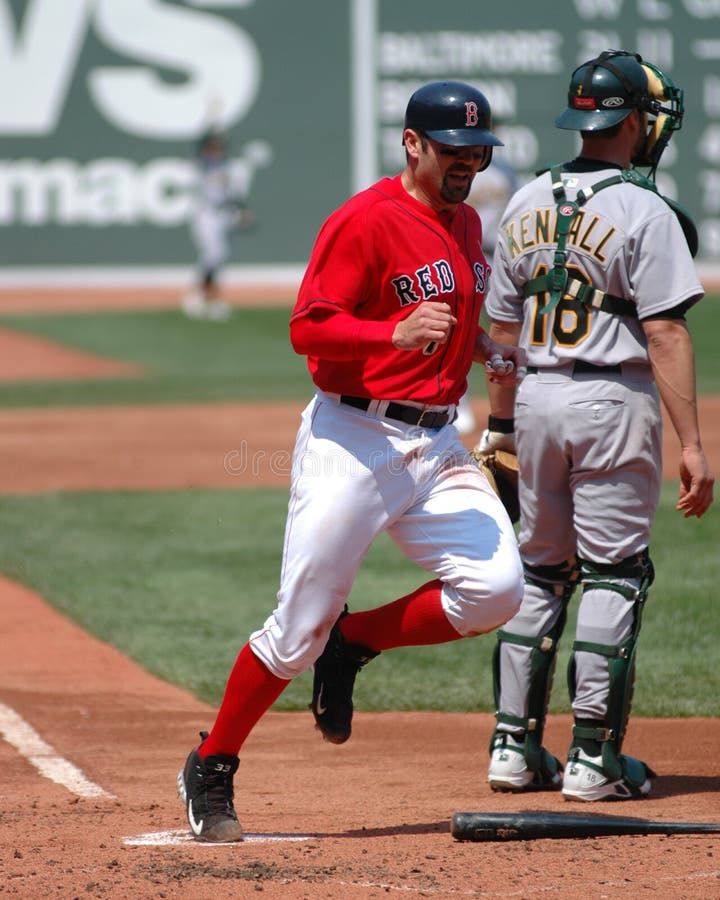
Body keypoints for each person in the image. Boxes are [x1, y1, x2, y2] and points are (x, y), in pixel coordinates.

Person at [177, 80, 527, 842]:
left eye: (477, 150)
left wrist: (488, 349)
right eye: (451, 149)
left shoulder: (466, 222)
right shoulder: (364, 221)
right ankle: (212, 762)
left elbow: (452, 321)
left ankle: (357, 639)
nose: (467, 162)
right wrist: (388, 335)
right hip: (354, 440)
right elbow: (309, 328)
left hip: (436, 442)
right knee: (295, 629)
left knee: (497, 591)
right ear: (412, 144)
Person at [478, 50, 714, 802]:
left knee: (542, 573)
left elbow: (502, 326)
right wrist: (696, 446)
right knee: (615, 573)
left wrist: (502, 427)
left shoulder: (525, 198)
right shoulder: (645, 207)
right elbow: (668, 334)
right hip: (612, 401)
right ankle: (591, 760)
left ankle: (512, 750)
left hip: (537, 395)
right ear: (634, 121)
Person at [455, 130, 519, 435]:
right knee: (458, 330)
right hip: (462, 252)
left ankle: (511, 407)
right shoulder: (455, 170)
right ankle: (460, 404)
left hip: (496, 256)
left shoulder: (504, 172)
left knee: (506, 330)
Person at [181, 130, 254, 321]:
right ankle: (196, 295)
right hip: (206, 214)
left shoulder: (228, 167)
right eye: (213, 147)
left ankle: (211, 298)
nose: (217, 150)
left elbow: (234, 194)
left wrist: (241, 212)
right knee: (214, 254)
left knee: (220, 257)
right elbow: (198, 160)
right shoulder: (203, 165)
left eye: (219, 147)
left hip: (224, 214)